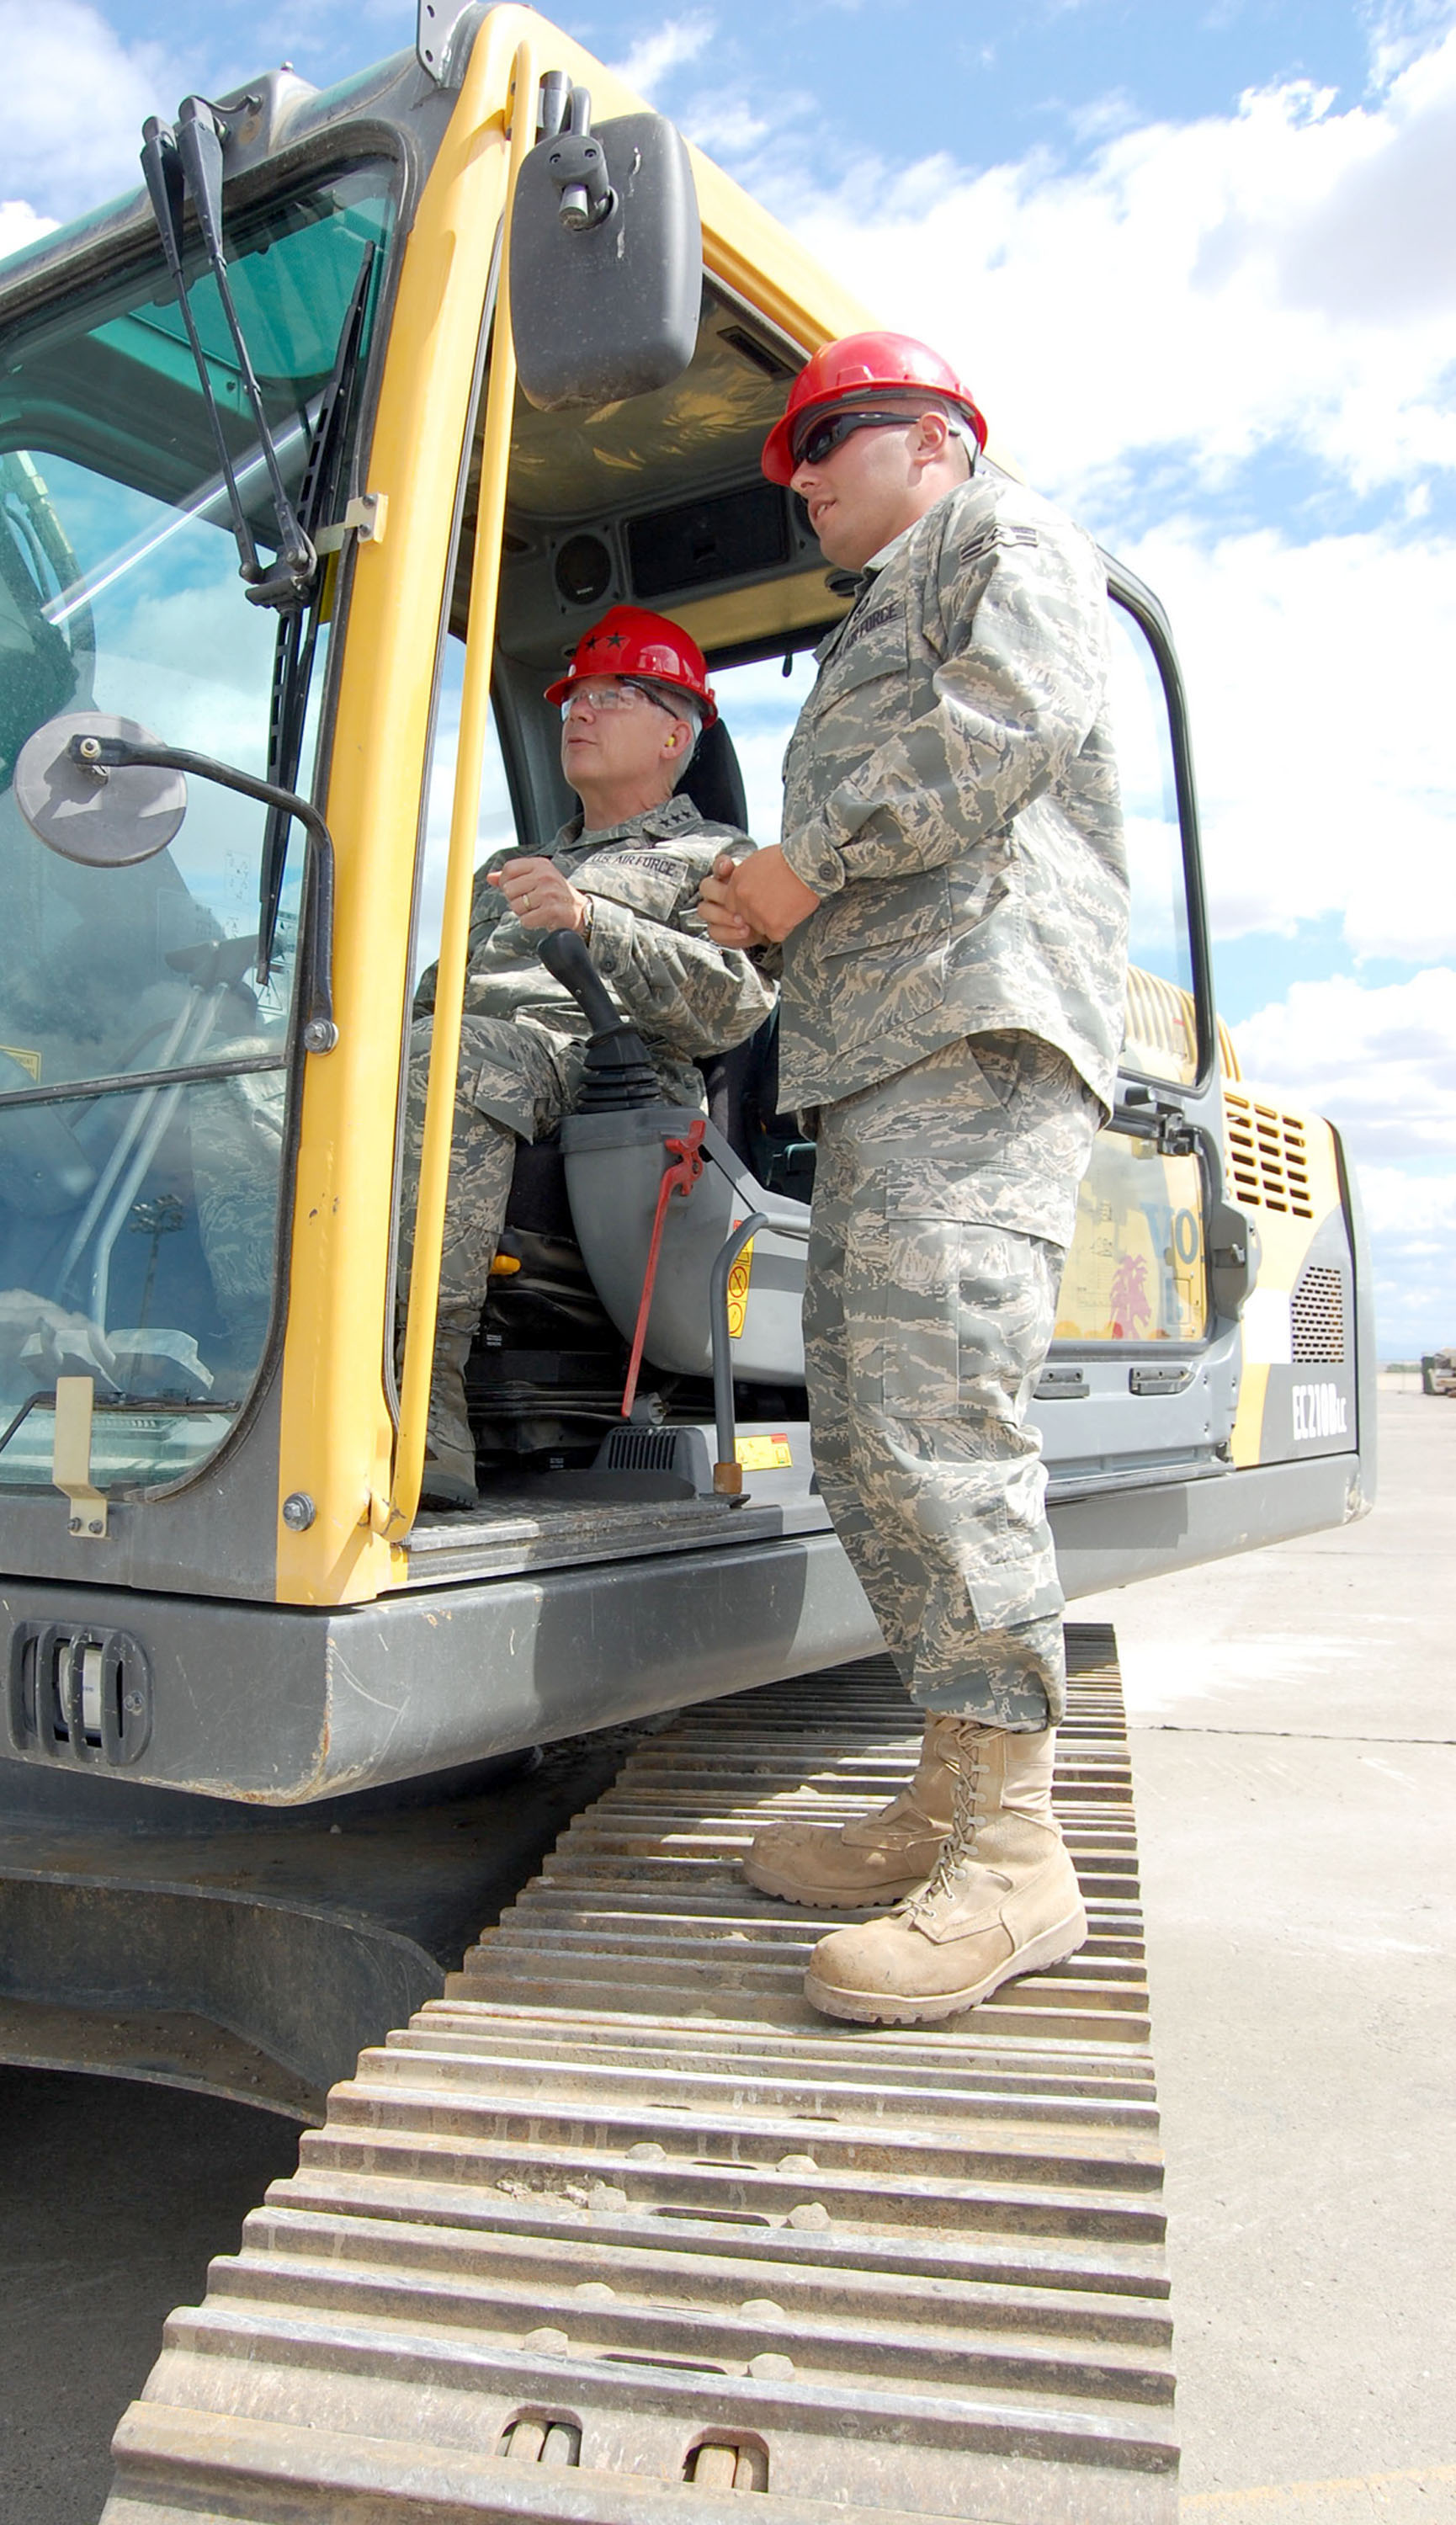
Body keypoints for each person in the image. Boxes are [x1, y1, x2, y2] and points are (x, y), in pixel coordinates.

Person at [700, 332, 1128, 2026]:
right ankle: (949, 1801)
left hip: (975, 1031)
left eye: (821, 443)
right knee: (878, 1432)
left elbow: (1009, 723)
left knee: (942, 1415)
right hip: (893, 1052)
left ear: (931, 441)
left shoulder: (998, 533)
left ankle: (1019, 1864)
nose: (799, 477)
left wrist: (803, 866)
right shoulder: (886, 601)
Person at [403, 604, 775, 1508]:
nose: (578, 711)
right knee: (284, 1082)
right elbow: (430, 996)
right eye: (574, 696)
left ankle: (413, 1392)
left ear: (672, 733)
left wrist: (588, 922)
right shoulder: (513, 861)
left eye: (611, 696)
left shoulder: (718, 860)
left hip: (605, 1078)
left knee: (452, 1062)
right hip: (468, 1051)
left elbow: (730, 1004)